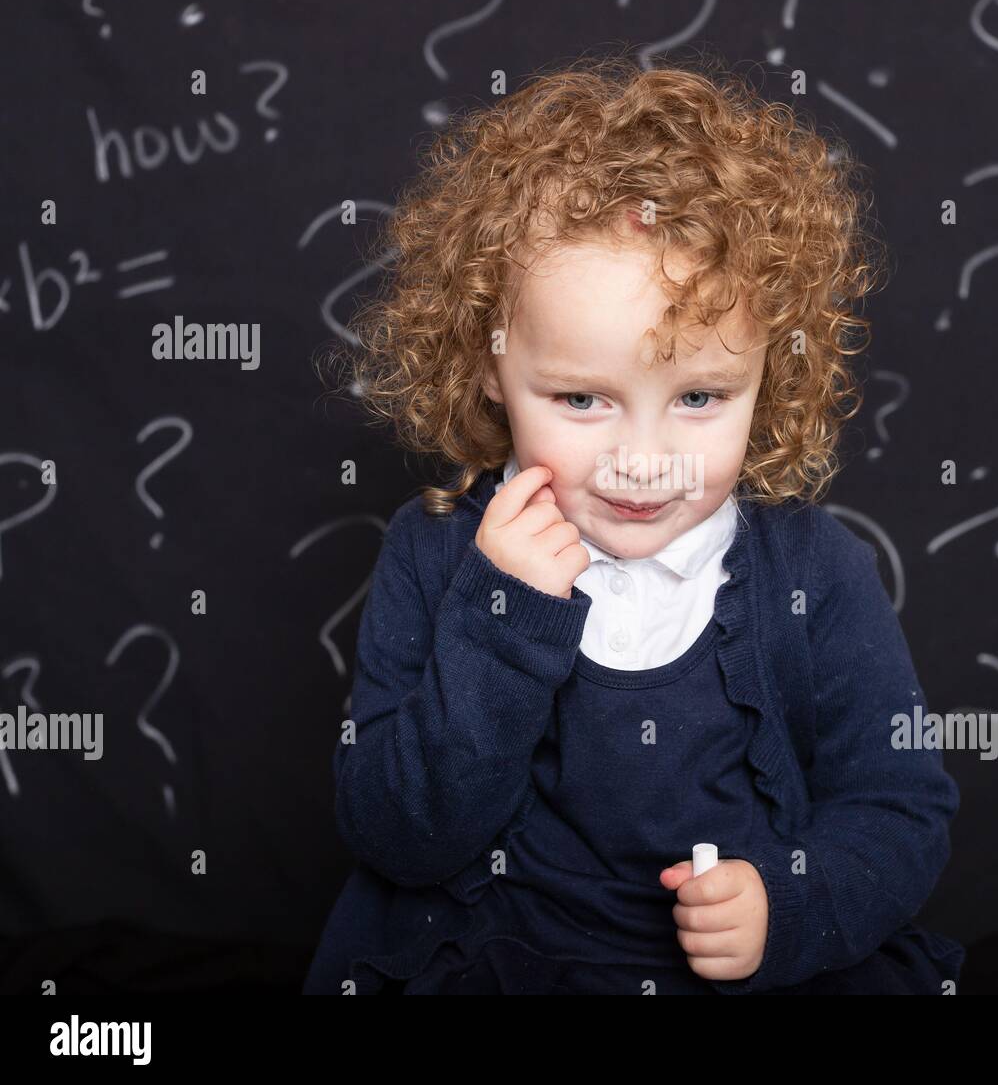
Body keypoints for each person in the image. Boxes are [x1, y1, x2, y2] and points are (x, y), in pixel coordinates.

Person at [304, 53, 964, 995]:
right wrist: (504, 619)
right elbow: (398, 835)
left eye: (699, 395)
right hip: (502, 954)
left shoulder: (816, 568)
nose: (642, 459)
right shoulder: (440, 548)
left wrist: (788, 903)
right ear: (491, 368)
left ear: (767, 372)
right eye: (582, 399)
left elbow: (899, 809)